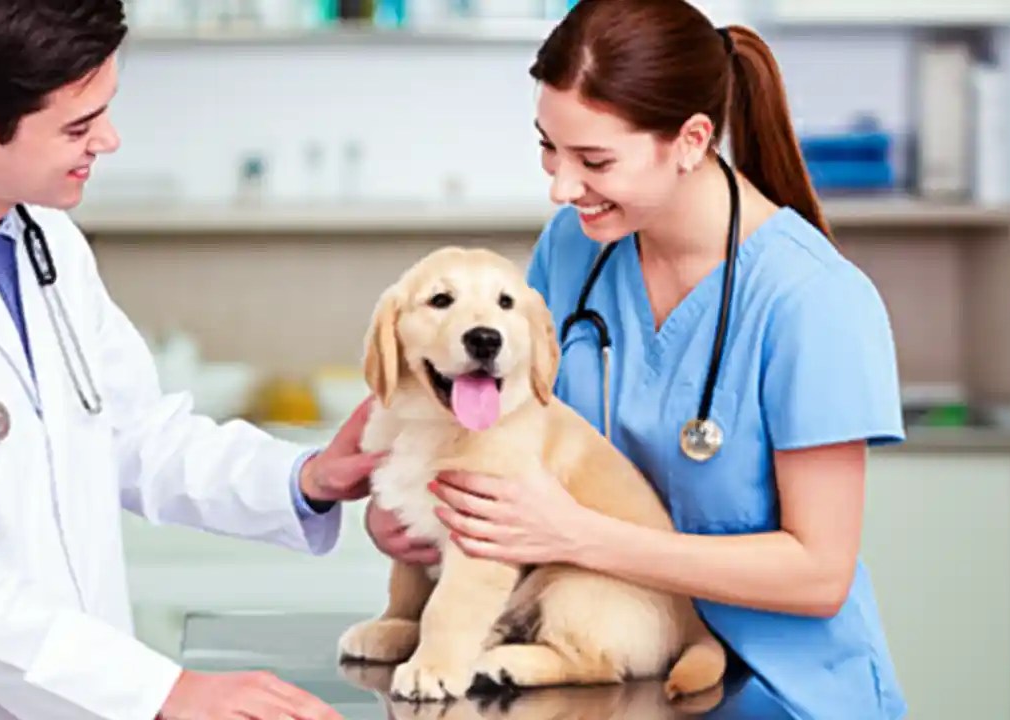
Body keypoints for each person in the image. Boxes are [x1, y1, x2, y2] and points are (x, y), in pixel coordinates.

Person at [0, 1, 379, 719]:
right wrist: (163, 692)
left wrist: (306, 478)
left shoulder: (43, 237)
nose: (108, 140)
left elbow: (136, 433)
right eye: (78, 127)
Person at [366, 1, 908, 718]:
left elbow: (819, 574)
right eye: (549, 149)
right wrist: (411, 518)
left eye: (594, 161)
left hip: (786, 695)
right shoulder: (574, 247)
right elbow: (512, 438)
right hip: (613, 685)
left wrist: (580, 535)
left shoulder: (813, 300)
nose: (562, 187)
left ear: (691, 141)